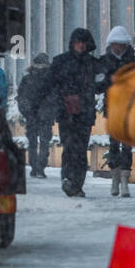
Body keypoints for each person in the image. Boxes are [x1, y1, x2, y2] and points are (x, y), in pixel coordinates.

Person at [47, 28, 100, 197]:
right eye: (78, 42)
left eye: (84, 43)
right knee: (70, 148)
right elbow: (50, 86)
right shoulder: (60, 62)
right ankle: (68, 180)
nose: (81, 46)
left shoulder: (92, 64)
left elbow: (98, 85)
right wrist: (61, 100)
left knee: (81, 150)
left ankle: (77, 183)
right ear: (72, 43)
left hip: (85, 113)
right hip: (66, 112)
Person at [97, 26, 135, 197]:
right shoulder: (104, 61)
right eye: (115, 44)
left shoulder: (134, 61)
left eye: (120, 44)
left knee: (127, 145)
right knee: (114, 143)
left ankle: (125, 181)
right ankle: (115, 179)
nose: (117, 48)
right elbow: (99, 84)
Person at [16, 52, 54, 178]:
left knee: (32, 142)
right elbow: (55, 97)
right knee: (44, 142)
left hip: (32, 115)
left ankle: (34, 166)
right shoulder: (50, 78)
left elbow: (21, 97)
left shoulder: (27, 78)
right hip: (45, 115)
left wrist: (26, 111)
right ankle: (41, 167)